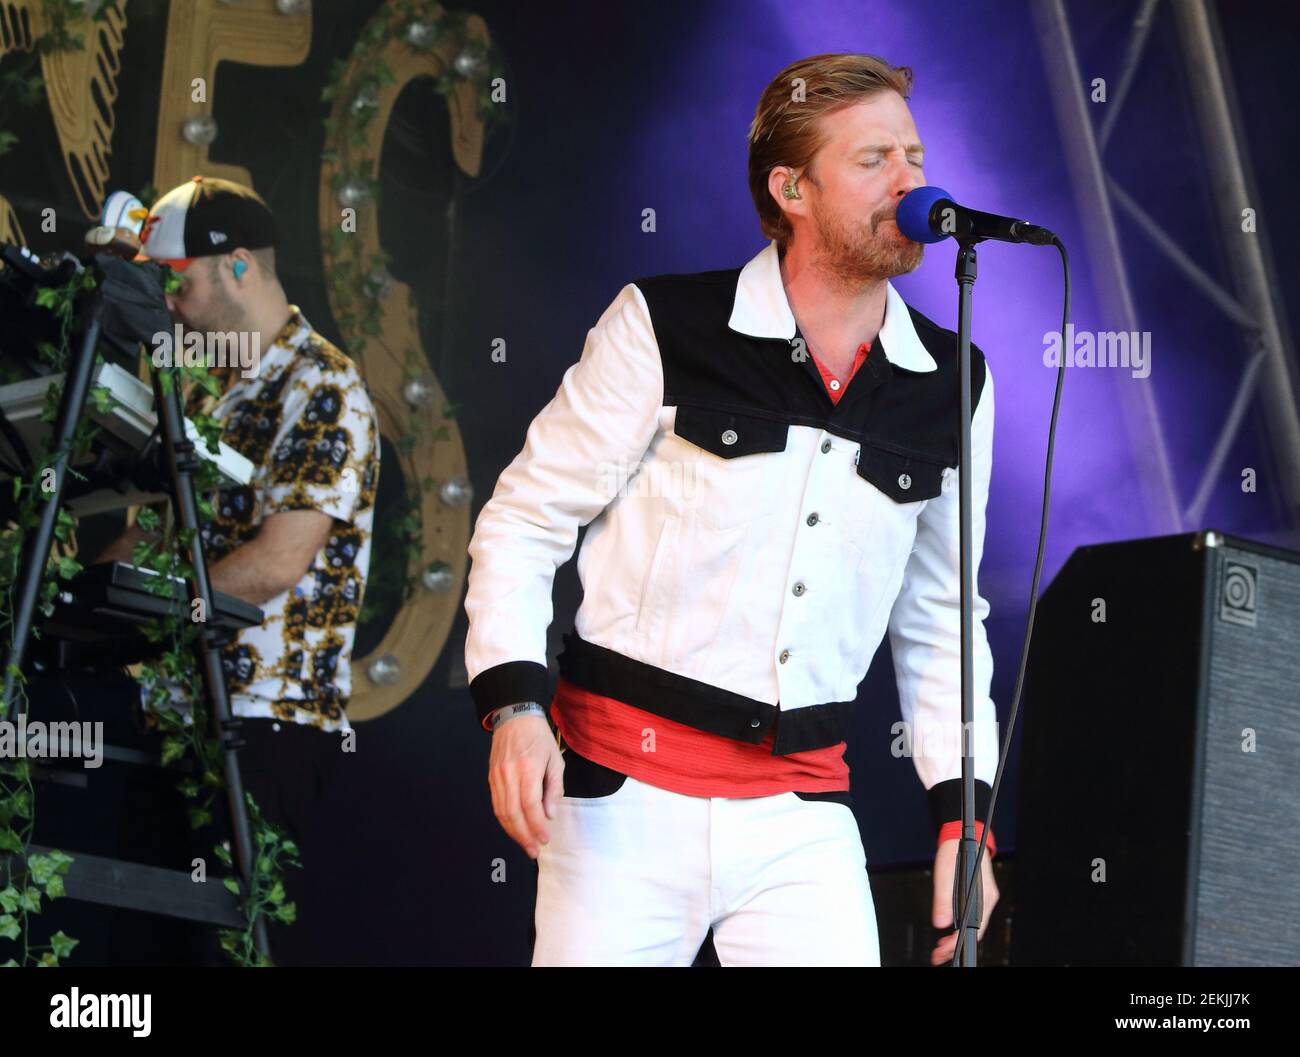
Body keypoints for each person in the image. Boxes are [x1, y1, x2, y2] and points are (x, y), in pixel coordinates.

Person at [464, 53, 1000, 967]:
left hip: (801, 815)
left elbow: (943, 618)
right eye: (875, 159)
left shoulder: (953, 384)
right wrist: (514, 705)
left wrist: (964, 813)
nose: (914, 179)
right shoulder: (665, 326)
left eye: (914, 154)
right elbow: (525, 515)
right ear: (791, 187)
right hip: (617, 794)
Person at [95, 175, 379, 963]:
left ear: (239, 265)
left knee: (217, 949)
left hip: (263, 721)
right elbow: (154, 535)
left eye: (178, 276)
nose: (170, 298)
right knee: (137, 955)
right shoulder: (214, 395)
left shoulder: (322, 383)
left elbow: (278, 561)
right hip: (179, 714)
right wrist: (83, 598)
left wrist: (142, 601)